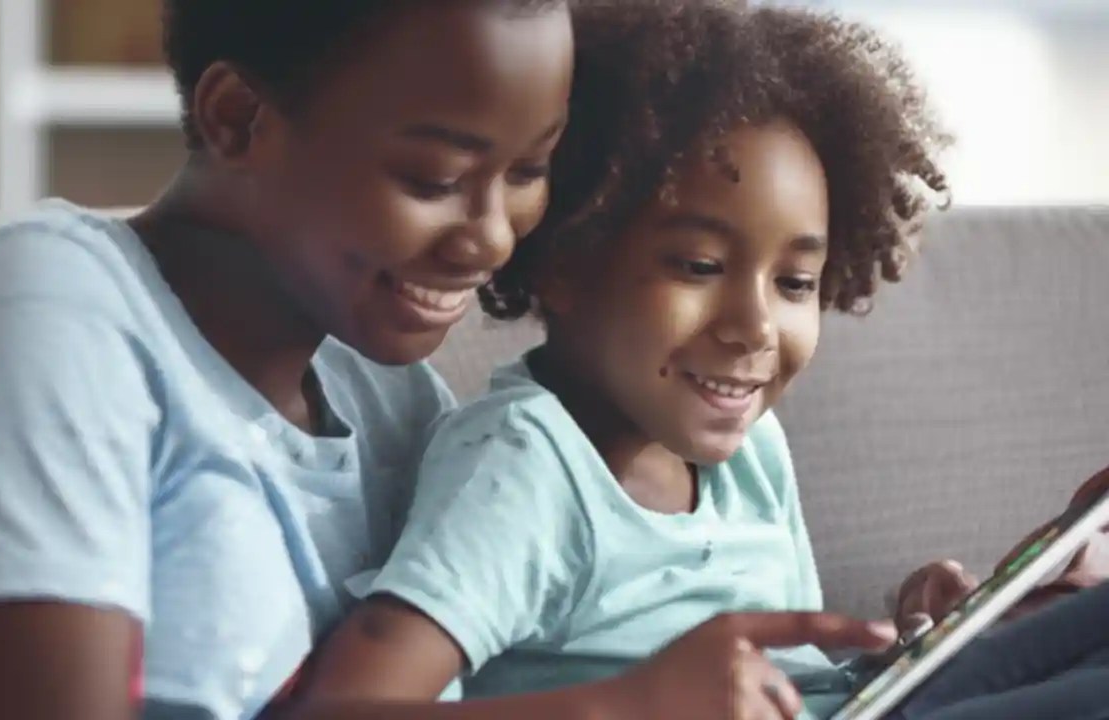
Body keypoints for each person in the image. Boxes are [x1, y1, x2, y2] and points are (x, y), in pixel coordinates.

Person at [0, 2, 900, 720]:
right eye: (435, 177)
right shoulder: (48, 315)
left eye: (529, 171)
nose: (493, 239)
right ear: (239, 116)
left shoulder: (391, 404)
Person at [277, 3, 1109, 720]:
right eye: (701, 268)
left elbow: (795, 684)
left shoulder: (750, 449)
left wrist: (927, 634)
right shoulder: (523, 466)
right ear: (567, 260)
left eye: (794, 282)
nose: (754, 326)